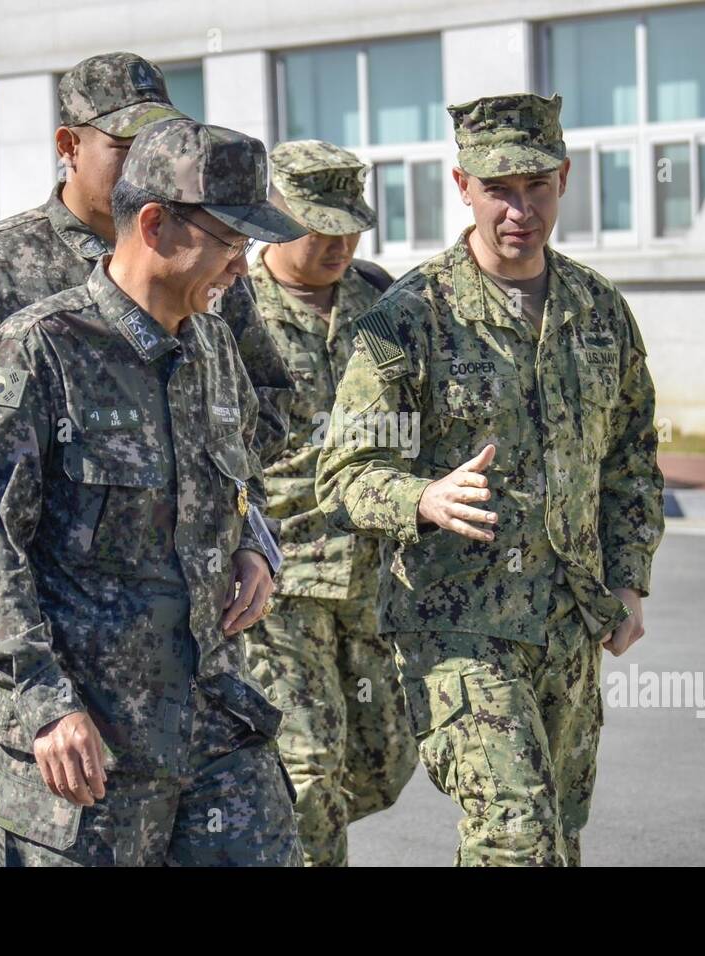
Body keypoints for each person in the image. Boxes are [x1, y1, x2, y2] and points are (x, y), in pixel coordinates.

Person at [0, 117, 307, 866]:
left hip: (215, 734)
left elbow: (243, 483)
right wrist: (45, 704)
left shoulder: (211, 346)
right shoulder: (39, 352)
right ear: (154, 224)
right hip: (89, 754)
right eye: (231, 243)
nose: (243, 268)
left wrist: (256, 547)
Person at [315, 93, 665, 866]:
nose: (519, 208)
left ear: (564, 179)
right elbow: (342, 476)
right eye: (498, 188)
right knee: (516, 839)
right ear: (461, 186)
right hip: (456, 631)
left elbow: (631, 462)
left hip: (569, 623)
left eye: (536, 185)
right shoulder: (406, 319)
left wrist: (631, 581)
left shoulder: (598, 309)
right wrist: (422, 497)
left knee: (558, 839)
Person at [0, 51, 294, 482]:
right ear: (68, 146)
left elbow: (268, 395)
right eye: (125, 146)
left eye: (157, 142)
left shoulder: (201, 252)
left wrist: (199, 476)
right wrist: (62, 472)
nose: (145, 163)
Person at [244, 139, 416, 866]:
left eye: (350, 224)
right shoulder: (230, 310)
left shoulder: (382, 305)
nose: (340, 242)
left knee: (383, 763)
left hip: (373, 573)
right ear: (272, 216)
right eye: (321, 224)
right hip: (280, 580)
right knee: (308, 772)